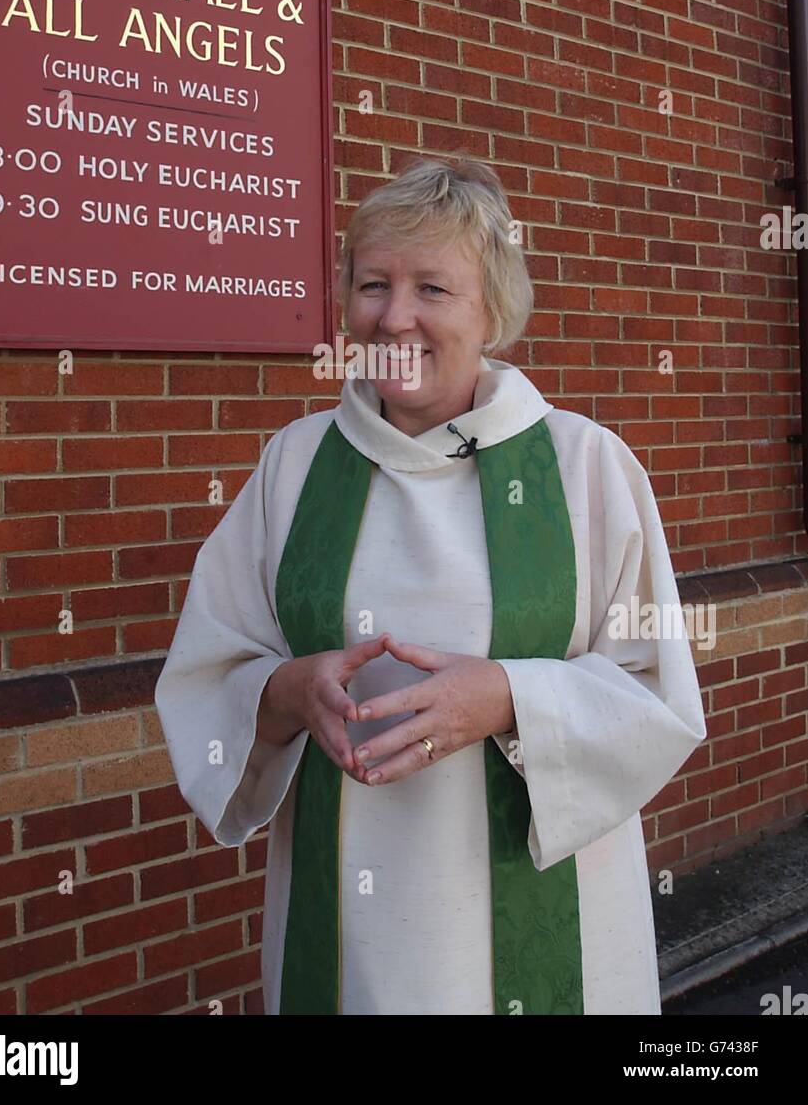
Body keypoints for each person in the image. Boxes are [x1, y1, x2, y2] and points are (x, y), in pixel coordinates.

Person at [154, 154, 707, 1015]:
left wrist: (508, 699)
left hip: (547, 909)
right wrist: (288, 690)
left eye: (432, 289)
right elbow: (209, 667)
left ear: (493, 310)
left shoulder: (581, 466)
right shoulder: (296, 466)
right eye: (372, 284)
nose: (394, 316)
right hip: (348, 927)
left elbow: (656, 691)